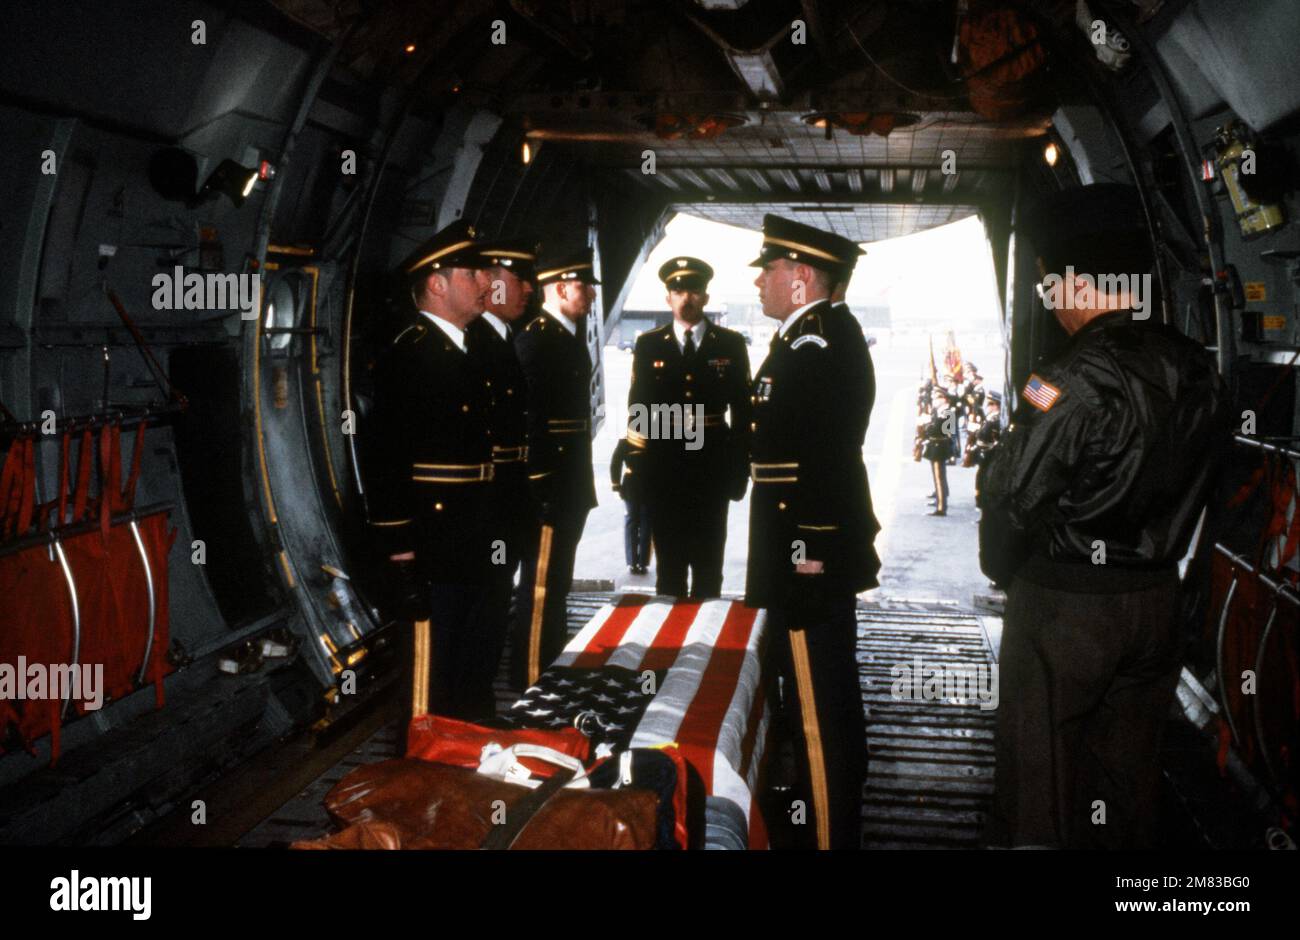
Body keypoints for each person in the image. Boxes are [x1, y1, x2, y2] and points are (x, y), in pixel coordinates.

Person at [977, 183, 1230, 849]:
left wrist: (1003, 553)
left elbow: (1011, 496)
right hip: (1155, 603)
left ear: (1077, 285)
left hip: (1066, 609)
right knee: (1126, 783)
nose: (1047, 302)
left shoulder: (1064, 377)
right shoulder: (1197, 367)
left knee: (1038, 786)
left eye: (1046, 286)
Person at [746, 214, 879, 849]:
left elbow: (825, 462)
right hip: (795, 551)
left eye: (767, 270)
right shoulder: (808, 339)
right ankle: (820, 816)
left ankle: (828, 833)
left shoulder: (817, 346)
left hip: (804, 557)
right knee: (811, 698)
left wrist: (810, 557)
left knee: (819, 709)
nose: (759, 283)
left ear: (800, 278)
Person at [365, 219, 495, 723]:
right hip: (433, 540)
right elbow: (384, 455)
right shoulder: (410, 354)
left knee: (469, 665)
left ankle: (470, 763)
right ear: (437, 283)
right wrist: (399, 549)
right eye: (473, 272)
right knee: (431, 673)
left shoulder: (468, 349)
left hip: (473, 535)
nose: (486, 282)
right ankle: (427, 776)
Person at [624, 257, 751, 598]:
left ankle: (708, 643)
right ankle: (671, 647)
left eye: (694, 290)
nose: (686, 298)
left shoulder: (730, 343)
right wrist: (637, 468)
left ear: (705, 297)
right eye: (678, 290)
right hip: (665, 469)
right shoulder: (650, 344)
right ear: (668, 298)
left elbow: (742, 411)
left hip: (713, 467)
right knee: (670, 567)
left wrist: (740, 468)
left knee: (710, 565)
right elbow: (639, 409)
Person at [511, 246, 599, 686]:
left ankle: (549, 663)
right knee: (541, 585)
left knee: (557, 582)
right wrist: (539, 481)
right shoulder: (536, 339)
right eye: (584, 286)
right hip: (549, 489)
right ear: (561, 286)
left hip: (568, 487)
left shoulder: (565, 336)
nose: (591, 296)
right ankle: (530, 675)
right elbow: (526, 419)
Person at [463, 235, 537, 719]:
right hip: (482, 509)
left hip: (505, 503)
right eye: (518, 279)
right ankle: (469, 712)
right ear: (489, 283)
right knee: (478, 612)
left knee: (492, 610)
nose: (529, 288)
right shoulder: (474, 341)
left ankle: (479, 707)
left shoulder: (502, 338)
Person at [609, 436, 651, 575]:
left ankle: (634, 562)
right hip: (645, 486)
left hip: (632, 486)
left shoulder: (625, 442)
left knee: (632, 523)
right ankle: (641, 563)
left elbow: (615, 463)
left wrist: (616, 485)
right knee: (645, 524)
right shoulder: (652, 440)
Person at [922, 387, 954, 515]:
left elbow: (947, 432)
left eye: (937, 397)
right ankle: (940, 500)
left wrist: (928, 426)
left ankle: (941, 507)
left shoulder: (948, 413)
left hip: (940, 447)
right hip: (935, 446)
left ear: (944, 399)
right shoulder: (939, 411)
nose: (934, 400)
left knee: (939, 477)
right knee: (938, 477)